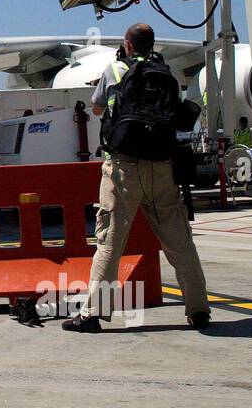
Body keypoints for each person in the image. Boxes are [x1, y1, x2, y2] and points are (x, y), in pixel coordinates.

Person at [62, 22, 212, 333]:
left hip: (123, 167)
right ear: (152, 44)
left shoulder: (115, 69)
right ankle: (199, 310)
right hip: (160, 166)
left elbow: (98, 108)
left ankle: (93, 314)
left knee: (109, 244)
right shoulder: (166, 74)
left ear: (128, 45)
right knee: (180, 242)